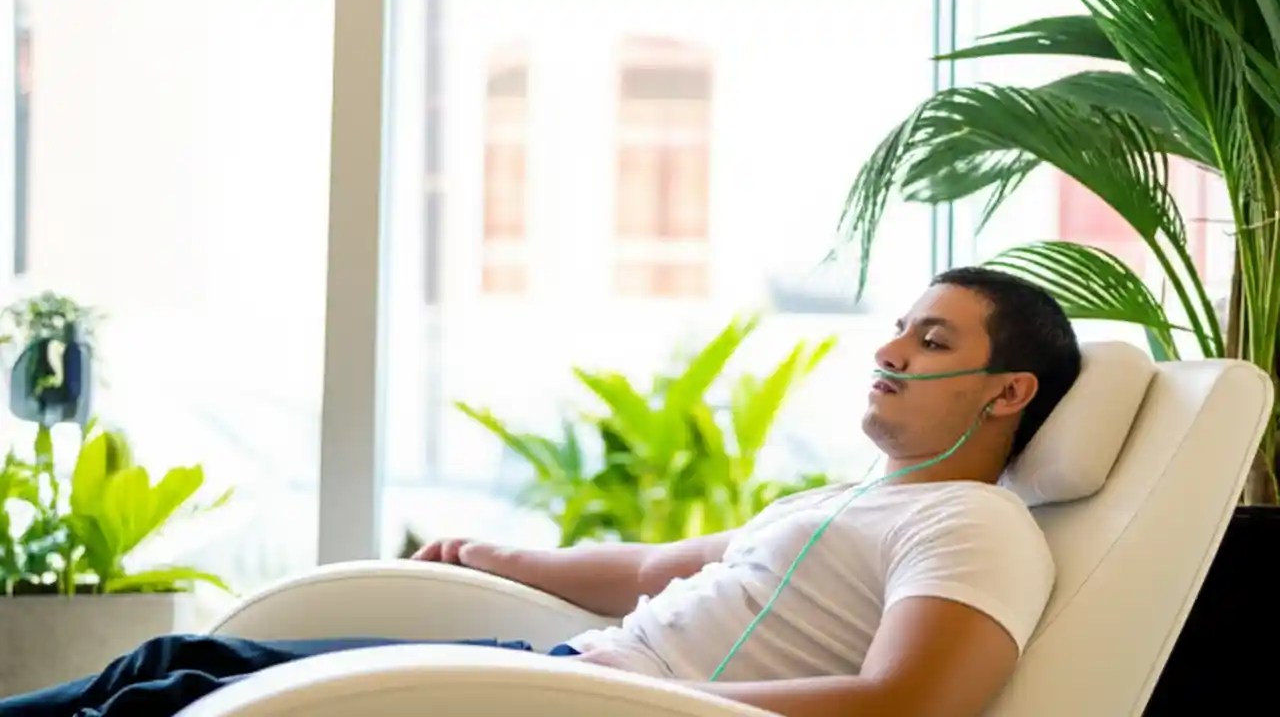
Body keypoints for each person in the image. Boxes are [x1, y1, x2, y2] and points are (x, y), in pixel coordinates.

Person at [0, 266, 1081, 717]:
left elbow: (910, 705)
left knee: (160, 696)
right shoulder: (850, 500)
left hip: (593, 703)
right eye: (896, 325)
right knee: (171, 666)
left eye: (930, 338)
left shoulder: (971, 525)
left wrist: (646, 709)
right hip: (567, 677)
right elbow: (661, 570)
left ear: (1006, 392)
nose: (890, 348)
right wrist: (497, 558)